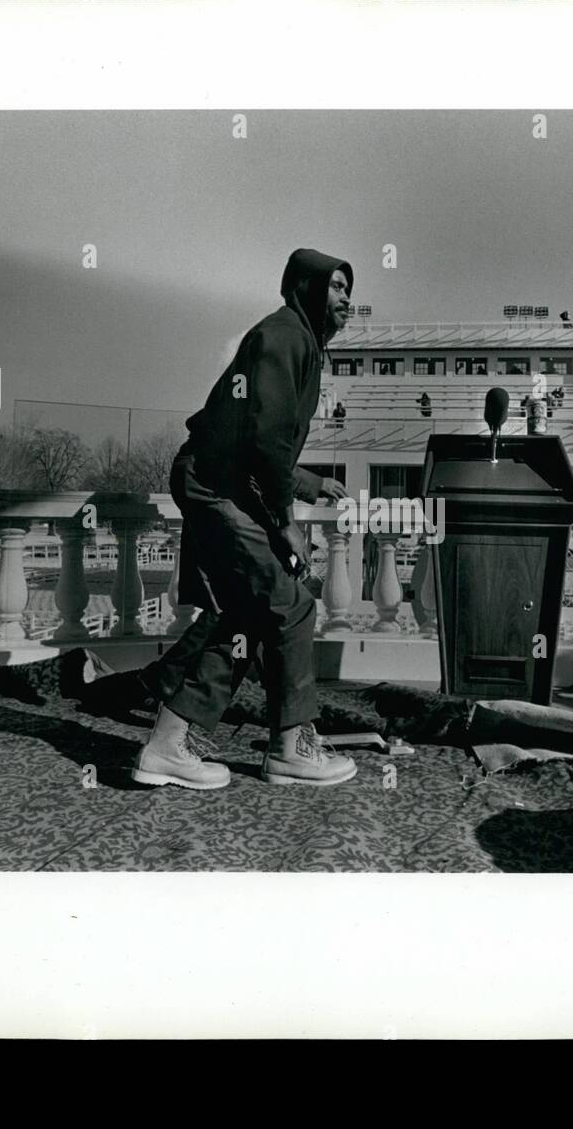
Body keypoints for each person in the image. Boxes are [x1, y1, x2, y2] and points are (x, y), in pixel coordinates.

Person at [133, 248, 357, 790]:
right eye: (335, 287)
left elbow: (260, 442)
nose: (346, 299)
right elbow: (264, 439)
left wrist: (307, 483)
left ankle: (169, 741)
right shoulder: (287, 336)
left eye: (349, 290)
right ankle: (290, 747)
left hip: (221, 482)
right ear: (306, 288)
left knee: (247, 614)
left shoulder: (298, 340)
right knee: (292, 605)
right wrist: (286, 521)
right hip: (215, 487)